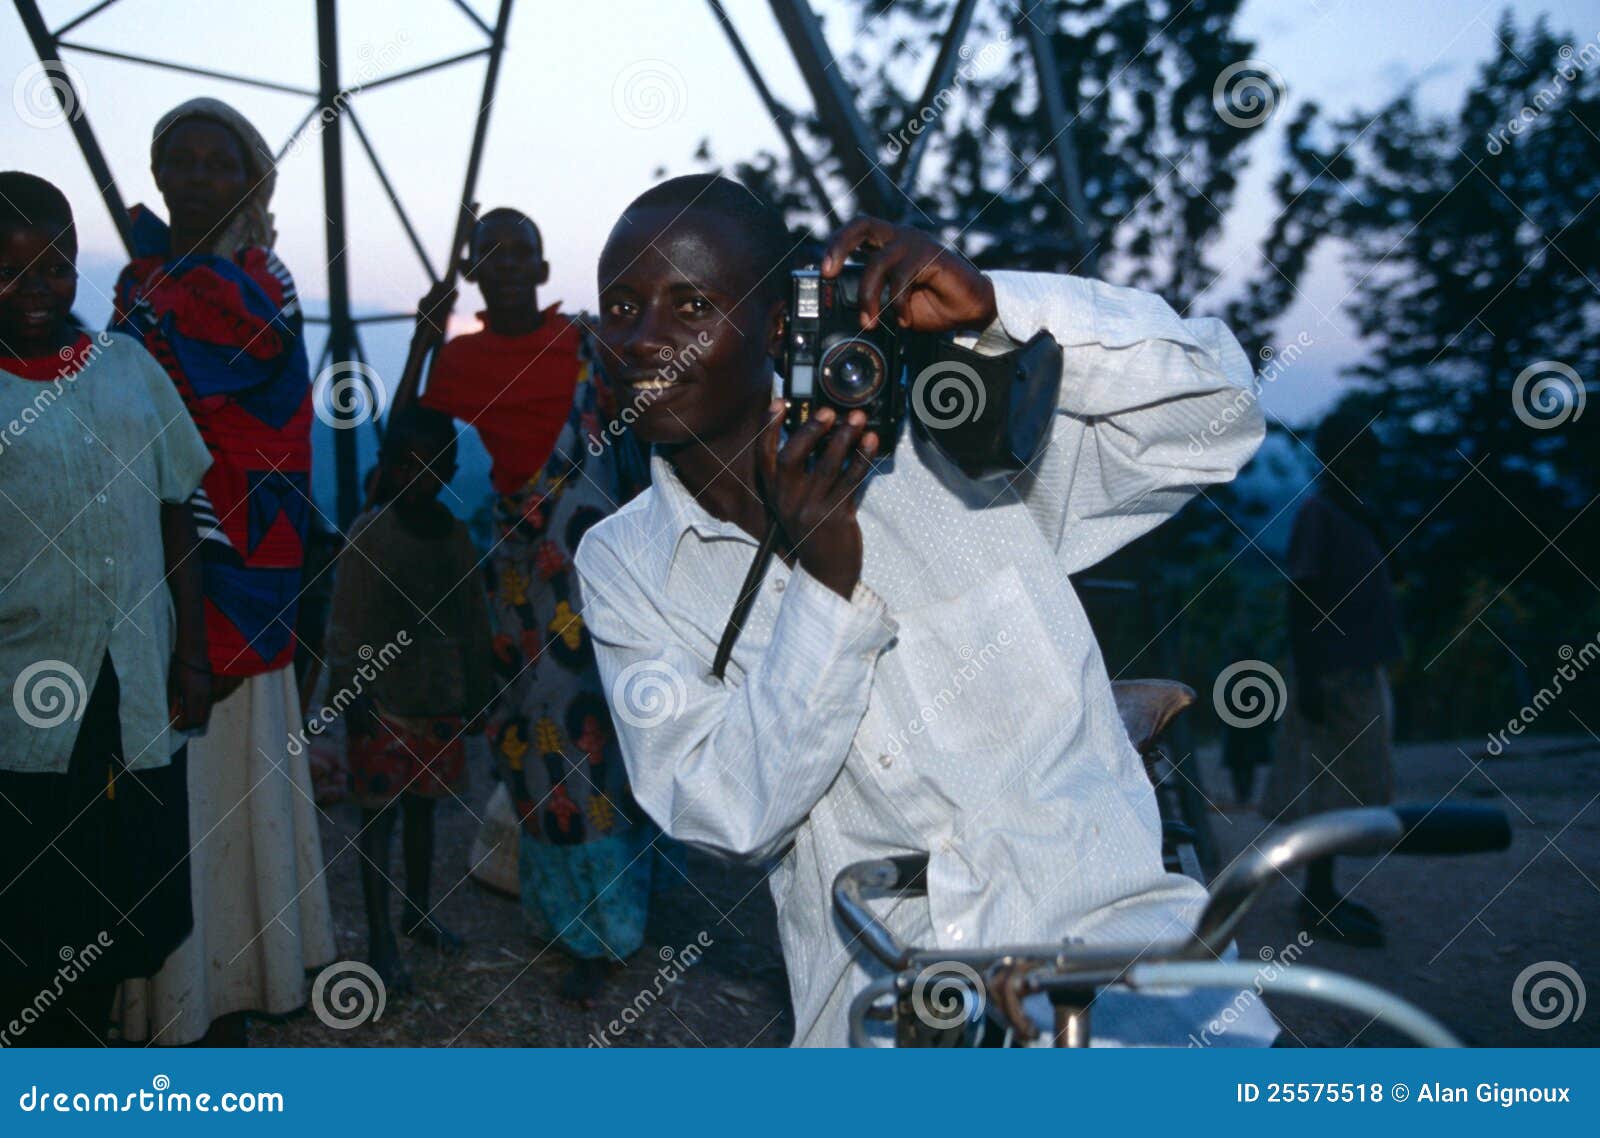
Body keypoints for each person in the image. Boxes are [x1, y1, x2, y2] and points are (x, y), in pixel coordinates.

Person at [574, 175, 1278, 1047]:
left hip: (1125, 986)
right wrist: (827, 588)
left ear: (784, 324)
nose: (643, 340)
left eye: (690, 306)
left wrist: (996, 306)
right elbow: (723, 811)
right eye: (619, 306)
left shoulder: (950, 444)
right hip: (885, 1014)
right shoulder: (625, 563)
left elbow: (1222, 413)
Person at [111, 98, 335, 1044]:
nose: (199, 179)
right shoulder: (139, 282)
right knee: (162, 781)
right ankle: (168, 992)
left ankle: (237, 979)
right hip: (147, 563)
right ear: (159, 177)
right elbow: (127, 410)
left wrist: (176, 277)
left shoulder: (261, 279)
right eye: (181, 162)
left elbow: (261, 384)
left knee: (228, 780)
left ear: (248, 181)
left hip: (242, 565)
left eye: (218, 163)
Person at [403, 208, 658, 1006]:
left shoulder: (586, 346)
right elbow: (403, 449)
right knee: (527, 747)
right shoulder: (460, 361)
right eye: (492, 254)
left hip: (598, 572)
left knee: (598, 749)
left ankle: (604, 931)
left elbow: (655, 424)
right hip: (514, 581)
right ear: (473, 276)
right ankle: (557, 917)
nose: (509, 264)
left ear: (546, 271)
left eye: (524, 253)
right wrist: (419, 339)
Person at [0, 172, 211, 1045]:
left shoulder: (127, 370)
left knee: (123, 901)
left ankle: (86, 1058)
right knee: (27, 912)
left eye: (54, 268)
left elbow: (178, 511)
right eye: (10, 271)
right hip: (21, 699)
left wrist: (191, 652)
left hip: (129, 688)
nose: (36, 289)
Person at [324, 408, 494, 992]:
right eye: (409, 466)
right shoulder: (370, 532)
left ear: (449, 469)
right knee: (378, 818)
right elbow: (344, 618)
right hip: (382, 703)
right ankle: (378, 937)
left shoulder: (455, 537)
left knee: (423, 810)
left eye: (434, 466)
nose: (422, 477)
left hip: (437, 698)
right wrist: (352, 689)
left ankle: (417, 912)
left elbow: (475, 618)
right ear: (392, 468)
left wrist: (478, 690)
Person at [1261, 414, 1402, 947]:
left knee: (1355, 783)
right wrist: (1314, 680)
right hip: (1332, 673)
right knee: (1330, 788)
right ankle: (1316, 899)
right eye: (1357, 457)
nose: (1367, 467)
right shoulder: (1319, 515)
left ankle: (1324, 892)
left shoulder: (1353, 514)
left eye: (1371, 457)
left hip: (1359, 670)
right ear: (1334, 461)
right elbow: (1301, 600)